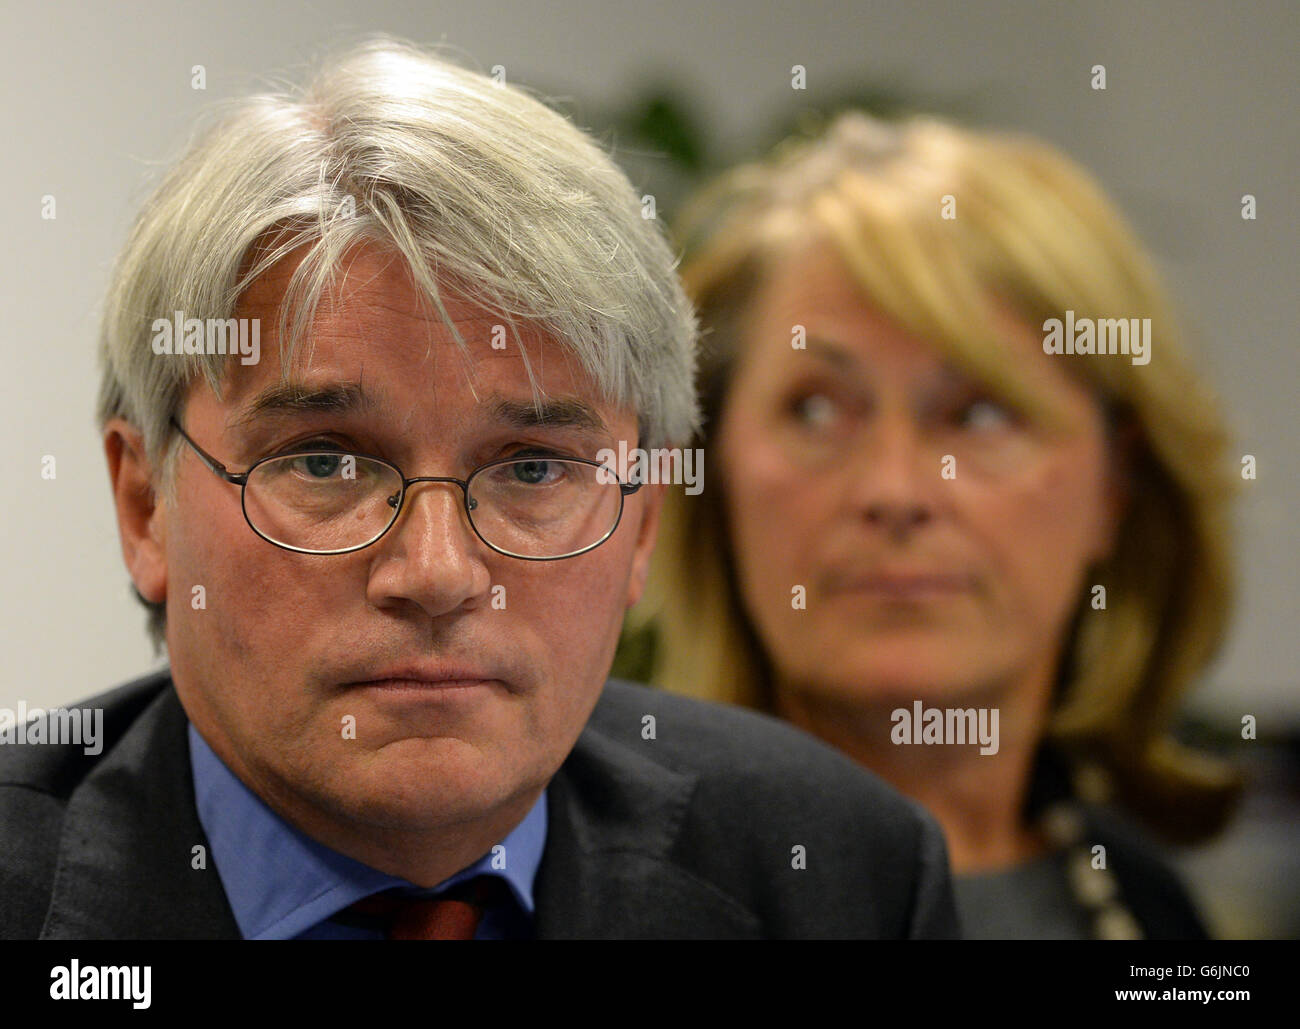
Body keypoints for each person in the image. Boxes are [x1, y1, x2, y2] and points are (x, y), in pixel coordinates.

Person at [0, 40, 958, 941]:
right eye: (326, 461)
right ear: (145, 507)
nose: (437, 573)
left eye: (533, 468)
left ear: (642, 524)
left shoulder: (839, 877)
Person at [633, 111, 1241, 939]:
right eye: (816, 409)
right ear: (711, 478)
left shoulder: (1147, 908)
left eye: (980, 414)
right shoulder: (594, 894)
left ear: (1115, 485)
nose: (895, 489)